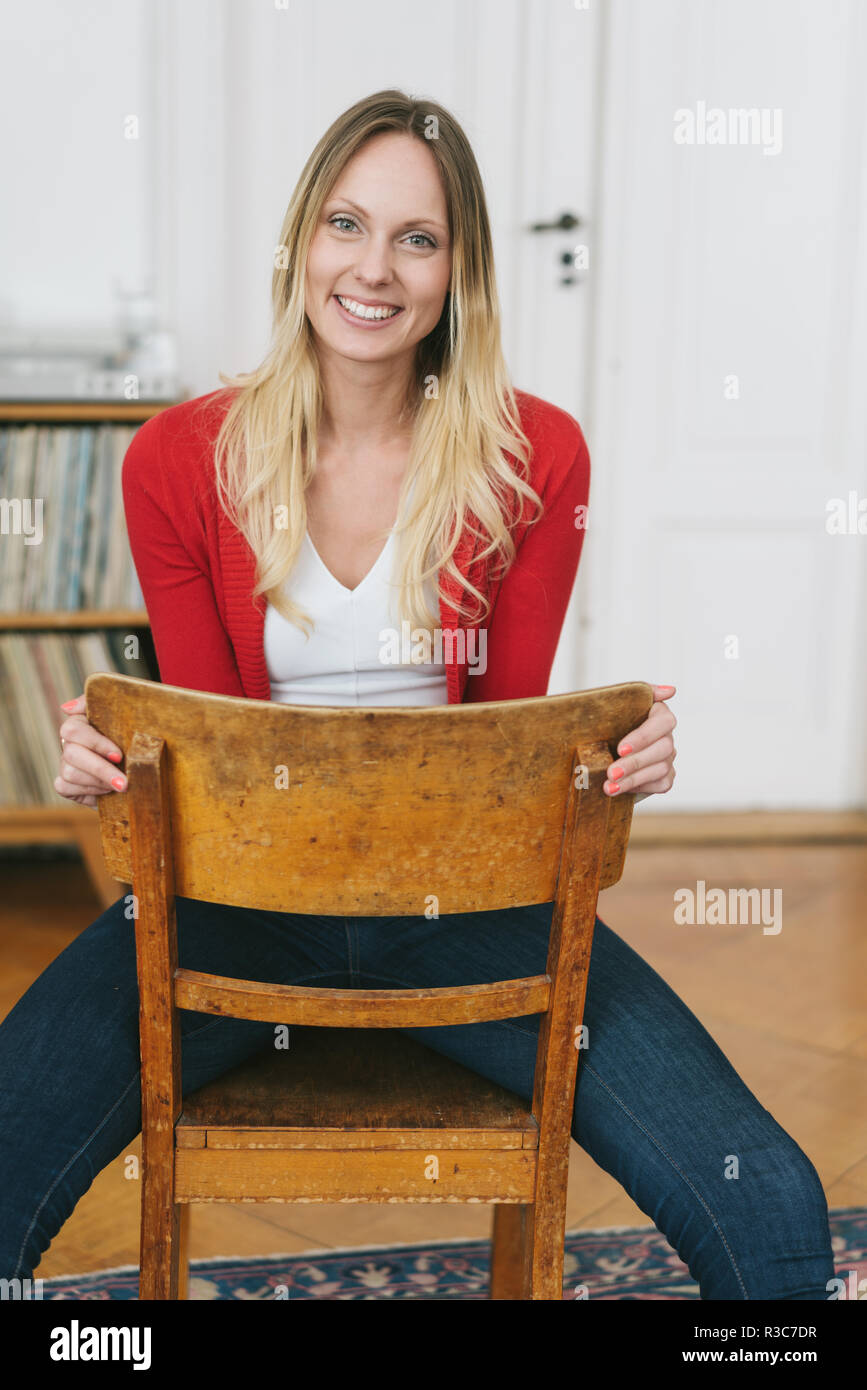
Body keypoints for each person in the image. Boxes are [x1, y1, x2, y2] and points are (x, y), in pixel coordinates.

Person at [0, 90, 833, 1299]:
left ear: (461, 272)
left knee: (775, 1207)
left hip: (473, 915)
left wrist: (623, 756)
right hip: (231, 910)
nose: (373, 269)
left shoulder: (533, 455)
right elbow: (210, 750)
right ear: (300, 245)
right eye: (345, 224)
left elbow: (517, 751)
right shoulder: (178, 459)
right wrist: (114, 766)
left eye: (417, 237)